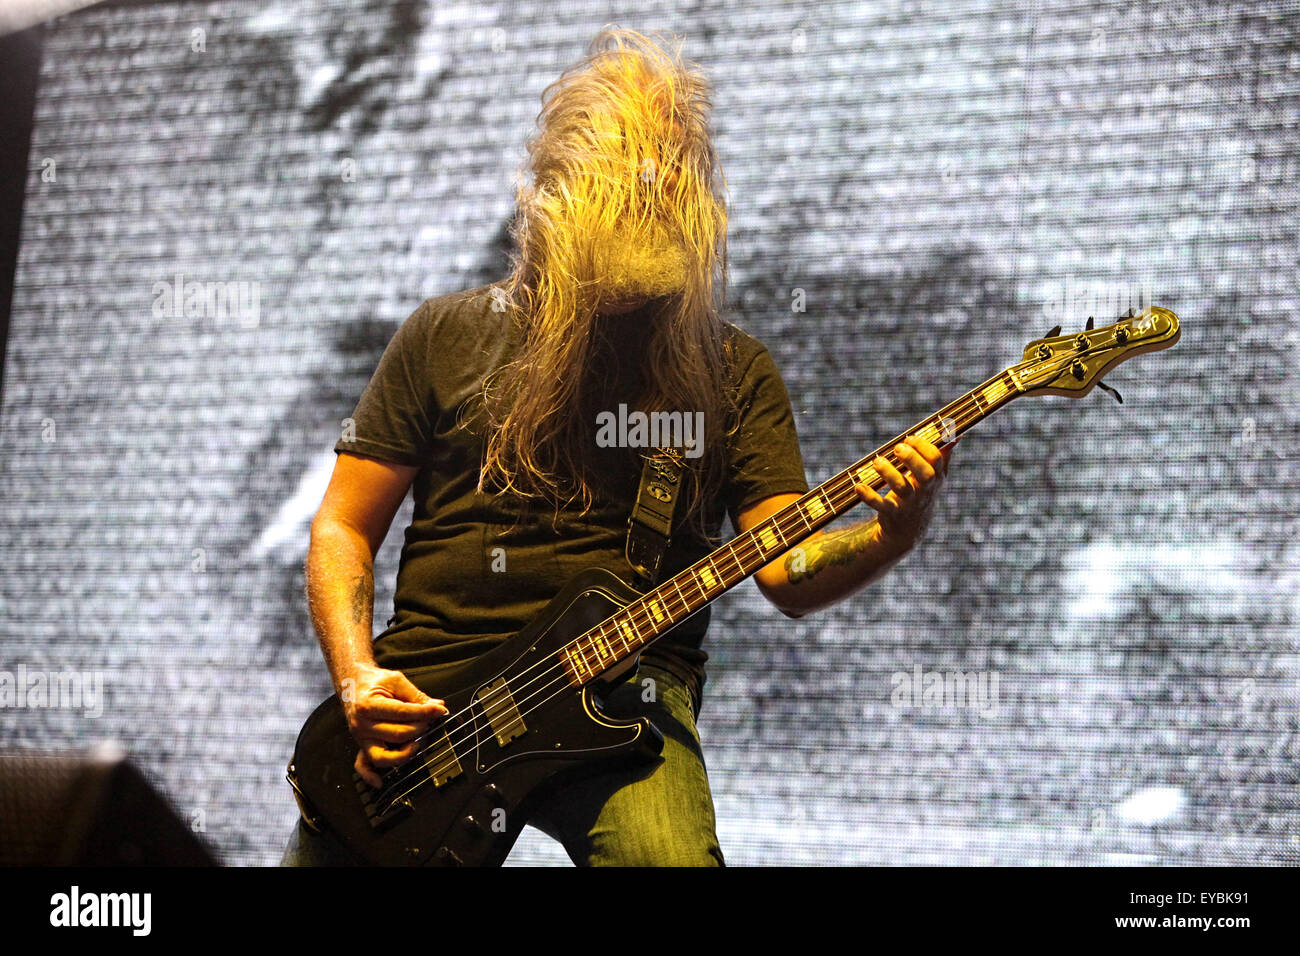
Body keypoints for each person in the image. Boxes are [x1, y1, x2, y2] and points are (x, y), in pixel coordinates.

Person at [281, 26, 951, 867]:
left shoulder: (731, 372)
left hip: (627, 695)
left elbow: (786, 570)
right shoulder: (442, 335)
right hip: (429, 703)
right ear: (553, 201)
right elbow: (343, 526)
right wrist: (357, 677)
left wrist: (892, 533)